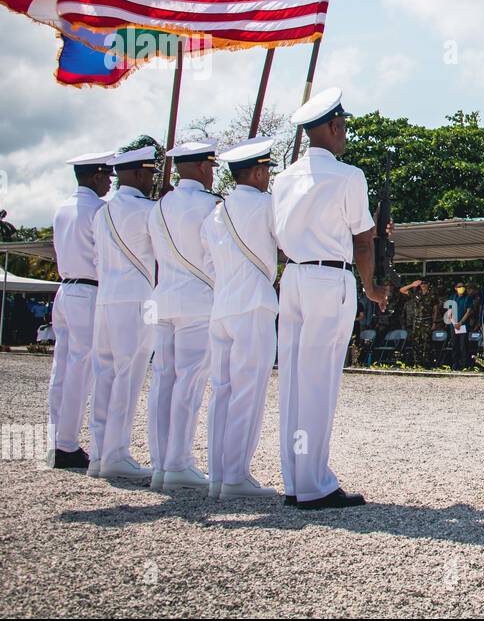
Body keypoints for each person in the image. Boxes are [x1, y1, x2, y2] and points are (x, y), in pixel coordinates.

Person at [272, 88, 388, 510]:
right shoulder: (348, 175)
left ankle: (294, 479)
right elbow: (362, 241)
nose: (345, 135)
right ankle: (315, 484)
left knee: (294, 381)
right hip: (329, 279)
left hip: (295, 277)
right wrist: (373, 285)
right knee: (319, 381)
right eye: (343, 128)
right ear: (335, 127)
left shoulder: (282, 180)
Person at [199, 138, 281, 500]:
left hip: (222, 308)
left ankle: (218, 474)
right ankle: (235, 476)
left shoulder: (214, 214)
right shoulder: (267, 205)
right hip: (254, 305)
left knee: (222, 391)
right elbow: (288, 242)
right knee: (248, 391)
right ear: (260, 171)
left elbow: (208, 264)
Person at [146, 140, 219, 493]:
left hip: (164, 299)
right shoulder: (212, 206)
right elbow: (216, 257)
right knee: (189, 382)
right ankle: (179, 462)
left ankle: (160, 463)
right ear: (204, 167)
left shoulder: (157, 208)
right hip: (197, 301)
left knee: (163, 381)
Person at [89, 145, 159, 482]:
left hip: (105, 299)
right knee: (128, 376)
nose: (151, 179)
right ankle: (117, 454)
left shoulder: (101, 213)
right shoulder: (146, 210)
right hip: (136, 300)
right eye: (148, 173)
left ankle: (100, 452)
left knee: (104, 375)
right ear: (132, 174)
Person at [45, 150, 113, 470]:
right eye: (106, 177)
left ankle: (56, 439)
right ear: (95, 176)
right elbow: (104, 257)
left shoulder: (63, 207)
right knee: (81, 371)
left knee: (62, 367)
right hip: (88, 290)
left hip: (65, 288)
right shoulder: (99, 210)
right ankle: (67, 445)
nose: (109, 183)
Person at [400, 278, 439, 365]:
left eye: (425, 283)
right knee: (416, 342)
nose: (423, 285)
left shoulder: (432, 295)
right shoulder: (416, 294)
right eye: (421, 283)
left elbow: (435, 310)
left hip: (427, 320)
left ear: (428, 284)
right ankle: (417, 363)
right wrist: (412, 285)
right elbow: (402, 290)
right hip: (417, 321)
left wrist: (434, 322)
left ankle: (426, 363)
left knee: (427, 342)